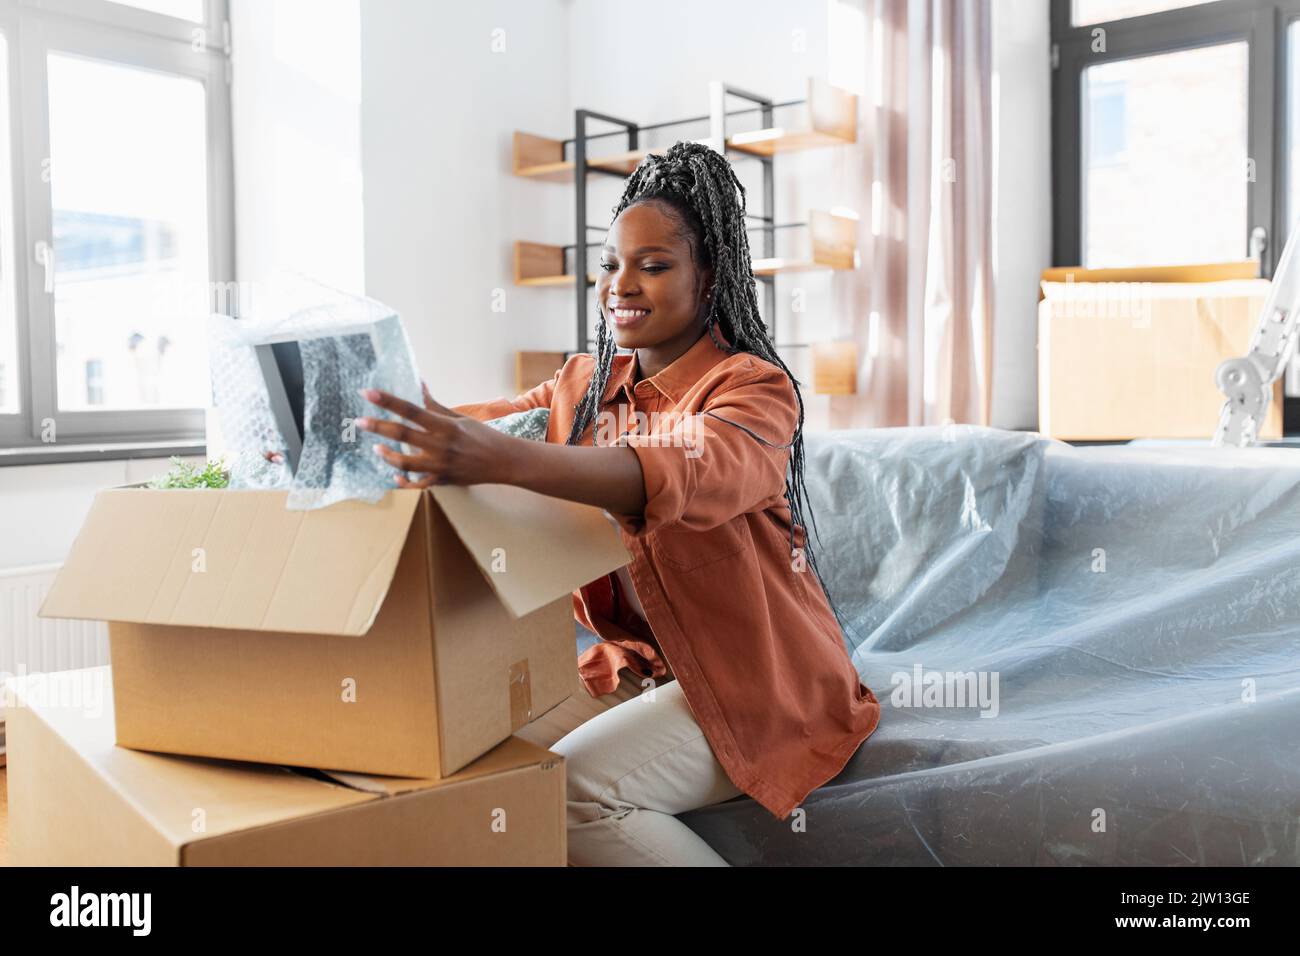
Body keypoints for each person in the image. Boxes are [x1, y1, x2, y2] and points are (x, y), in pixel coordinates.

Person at [355, 140, 881, 866]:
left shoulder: (754, 390)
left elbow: (686, 468)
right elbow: (470, 425)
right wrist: (362, 418)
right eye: (610, 265)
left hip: (756, 682)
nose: (620, 286)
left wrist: (501, 458)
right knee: (471, 770)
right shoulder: (580, 384)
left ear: (710, 276)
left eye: (654, 266)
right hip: (640, 667)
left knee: (570, 794)